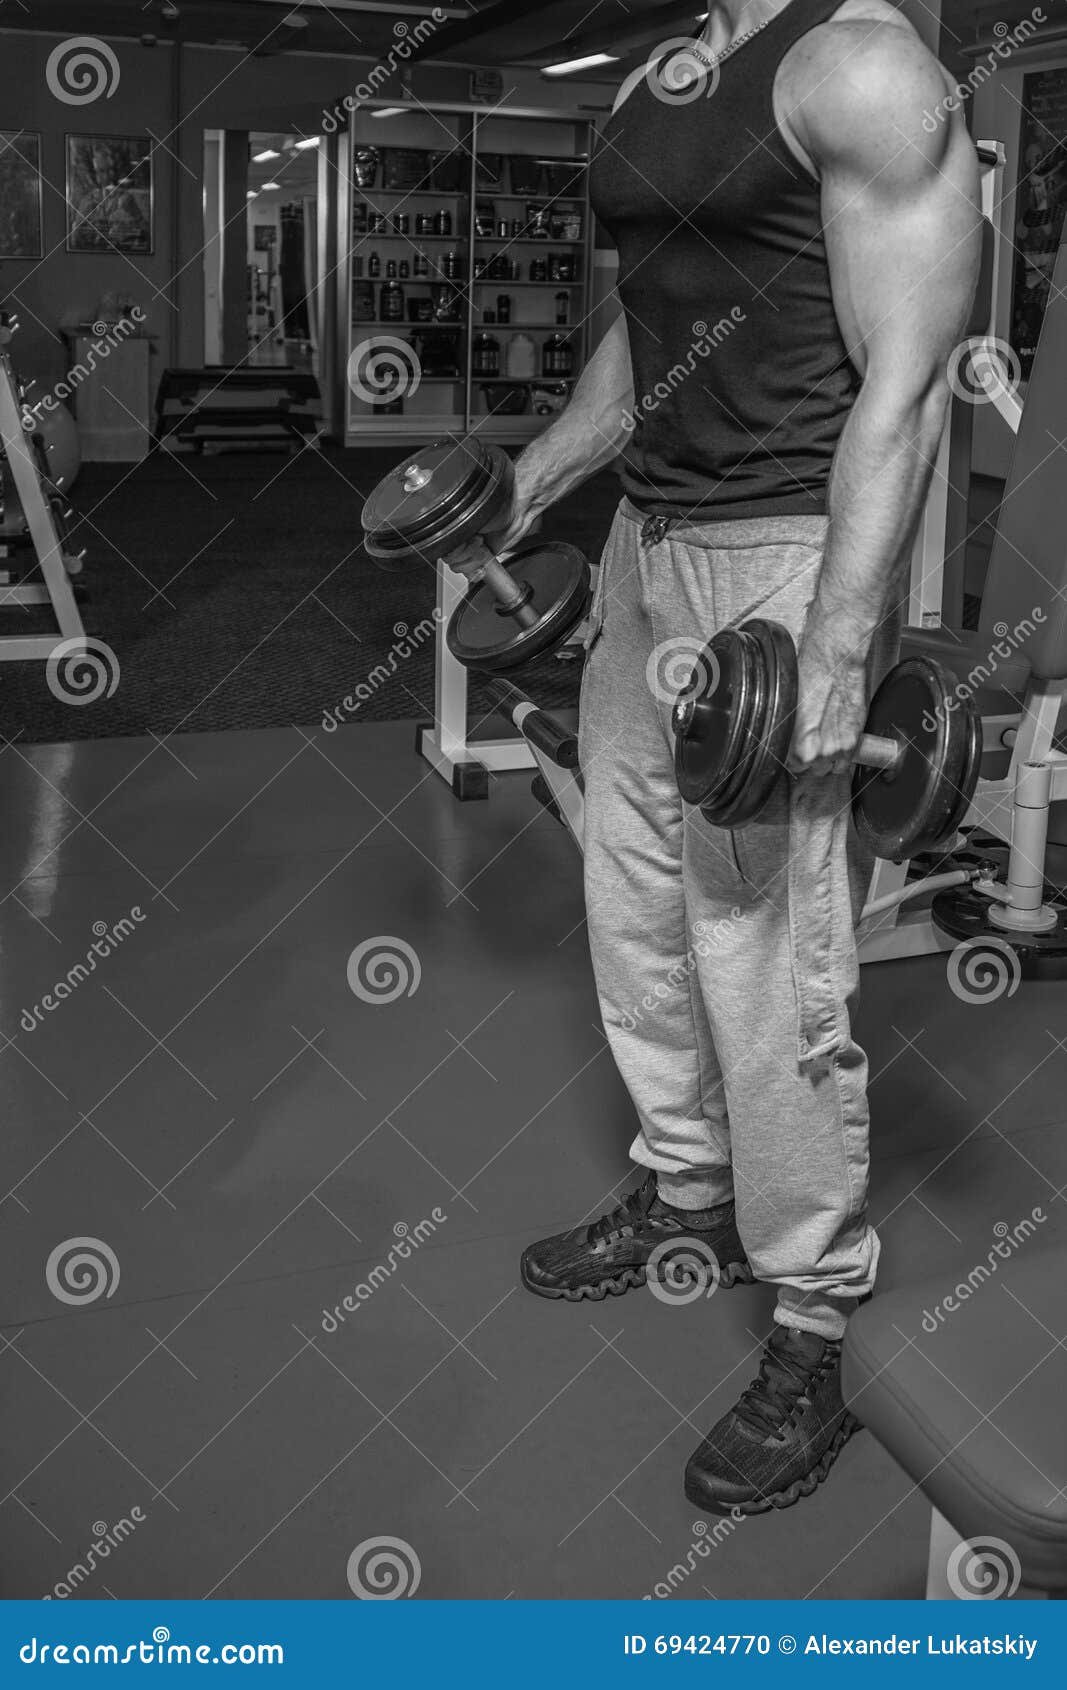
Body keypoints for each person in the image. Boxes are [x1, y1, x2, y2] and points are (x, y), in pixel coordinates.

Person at [464, 0, 981, 1514]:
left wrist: (835, 636)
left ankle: (816, 1316)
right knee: (630, 892)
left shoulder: (865, 69)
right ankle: (686, 1179)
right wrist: (540, 477)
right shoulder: (656, 69)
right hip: (648, 535)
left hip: (781, 552)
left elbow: (906, 378)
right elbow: (648, 322)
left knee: (768, 950)